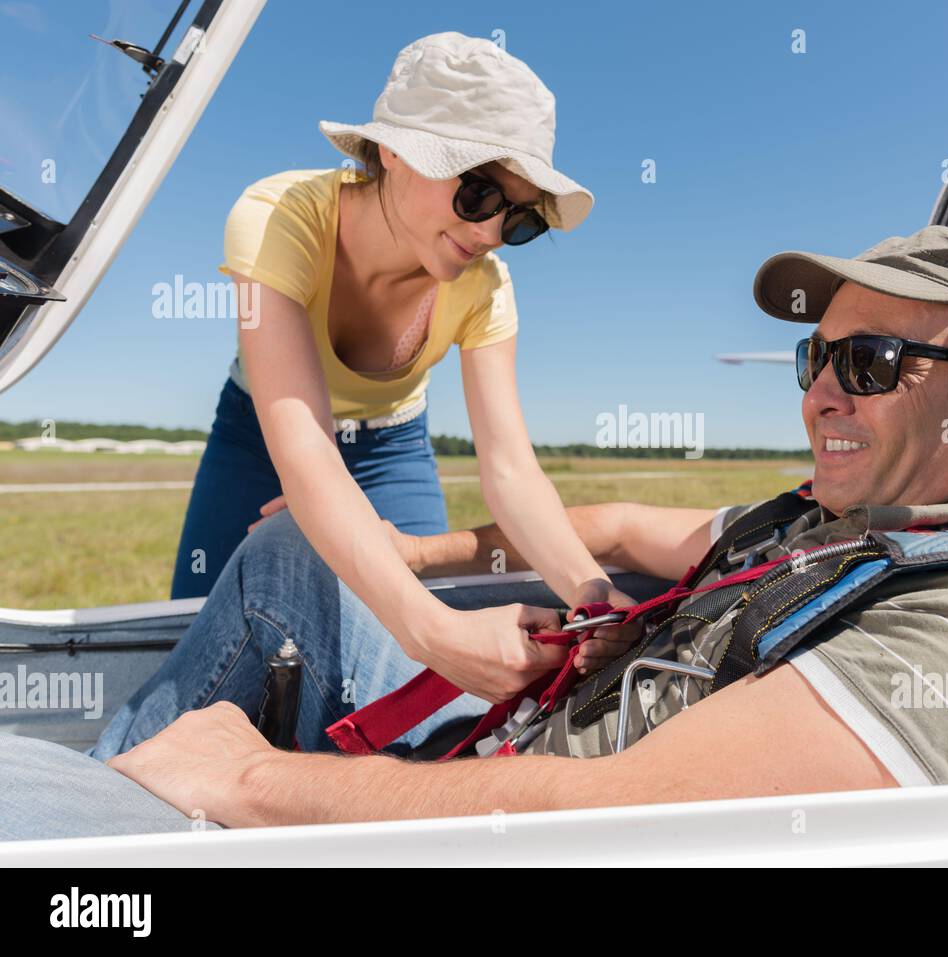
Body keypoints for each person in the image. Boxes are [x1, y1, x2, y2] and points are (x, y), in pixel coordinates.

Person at [1, 227, 948, 840]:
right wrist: (403, 557)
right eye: (817, 359)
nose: (820, 396)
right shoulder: (821, 522)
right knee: (300, 548)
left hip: (512, 815)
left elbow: (619, 816)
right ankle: (137, 802)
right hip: (495, 745)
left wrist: (250, 780)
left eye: (873, 363)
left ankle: (131, 827)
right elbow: (612, 526)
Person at [169, 33, 637, 715]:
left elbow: (510, 471)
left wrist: (589, 590)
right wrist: (434, 632)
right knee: (193, 626)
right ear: (393, 150)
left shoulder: (487, 289)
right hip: (260, 432)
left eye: (520, 218)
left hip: (394, 447)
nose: (492, 233)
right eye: (477, 193)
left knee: (393, 659)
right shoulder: (276, 218)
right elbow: (304, 451)